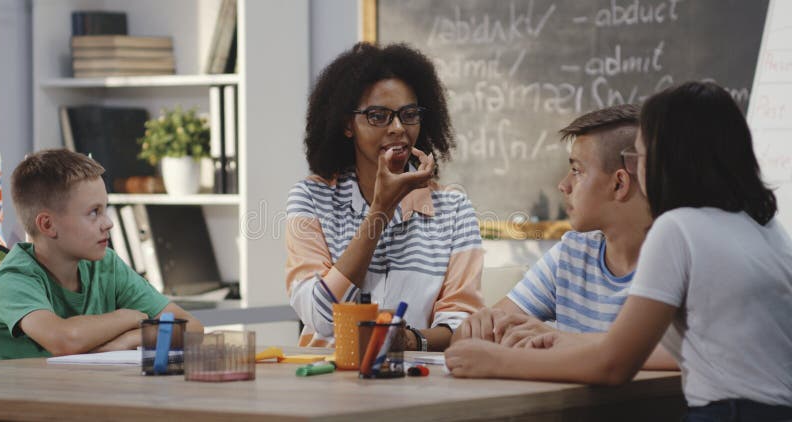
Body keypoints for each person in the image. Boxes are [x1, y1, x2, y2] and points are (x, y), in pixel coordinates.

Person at [446, 82, 792, 421]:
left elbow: (614, 365)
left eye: (641, 155)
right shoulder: (763, 226)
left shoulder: (677, 228)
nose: (639, 170)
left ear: (668, 160)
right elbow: (673, 352)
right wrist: (561, 339)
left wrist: (496, 362)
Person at [285, 42, 484, 351]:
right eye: (378, 116)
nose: (397, 128)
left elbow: (461, 326)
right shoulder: (311, 198)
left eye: (409, 115)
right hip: (328, 382)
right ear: (348, 124)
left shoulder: (454, 209)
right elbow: (323, 318)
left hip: (415, 383)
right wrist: (381, 210)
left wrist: (409, 339)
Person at [451, 104, 675, 369]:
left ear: (619, 184)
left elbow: (683, 354)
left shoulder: (676, 258)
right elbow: (465, 339)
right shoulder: (571, 254)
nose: (563, 185)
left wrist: (561, 339)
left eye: (577, 171)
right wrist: (476, 327)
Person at [0, 149, 203, 360]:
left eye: (105, 209)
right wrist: (129, 317)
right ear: (48, 225)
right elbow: (65, 340)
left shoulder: (105, 265)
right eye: (94, 212)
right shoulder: (13, 279)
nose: (109, 223)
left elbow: (191, 328)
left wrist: (132, 339)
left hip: (81, 389)